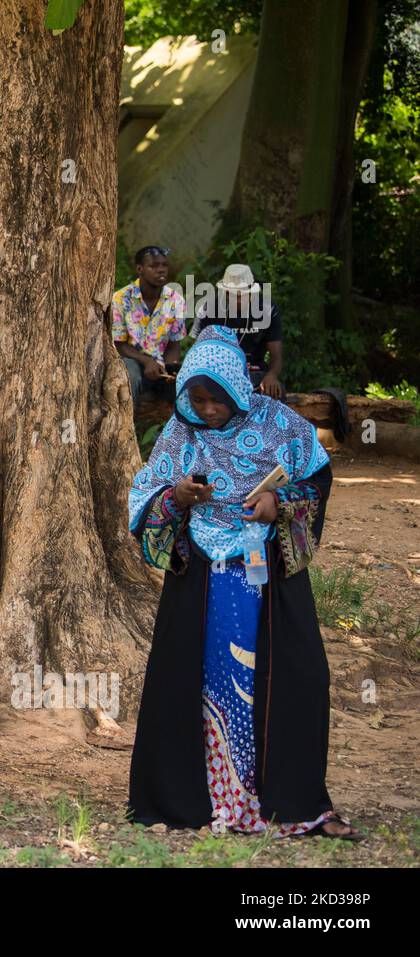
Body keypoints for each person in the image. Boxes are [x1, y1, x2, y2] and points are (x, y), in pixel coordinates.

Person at [126, 326, 361, 840]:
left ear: (238, 388)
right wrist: (178, 497)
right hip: (201, 581)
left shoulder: (282, 425)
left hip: (268, 577)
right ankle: (201, 799)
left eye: (217, 399)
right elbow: (145, 495)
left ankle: (284, 801)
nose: (207, 409)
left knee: (290, 676)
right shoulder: (179, 433)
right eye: (198, 398)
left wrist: (280, 503)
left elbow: (316, 480)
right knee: (203, 680)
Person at [190, 263, 285, 398]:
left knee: (274, 392)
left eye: (243, 294)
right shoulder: (208, 309)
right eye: (232, 294)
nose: (238, 299)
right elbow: (196, 354)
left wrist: (272, 375)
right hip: (219, 373)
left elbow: (276, 355)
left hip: (255, 374)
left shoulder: (267, 309)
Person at [111, 245, 187, 402]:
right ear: (140, 269)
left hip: (159, 364)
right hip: (130, 360)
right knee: (129, 376)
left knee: (185, 380)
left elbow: (174, 345)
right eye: (153, 266)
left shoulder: (176, 300)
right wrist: (146, 361)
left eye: (164, 265)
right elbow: (119, 344)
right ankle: (128, 423)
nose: (161, 270)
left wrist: (169, 369)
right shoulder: (121, 298)